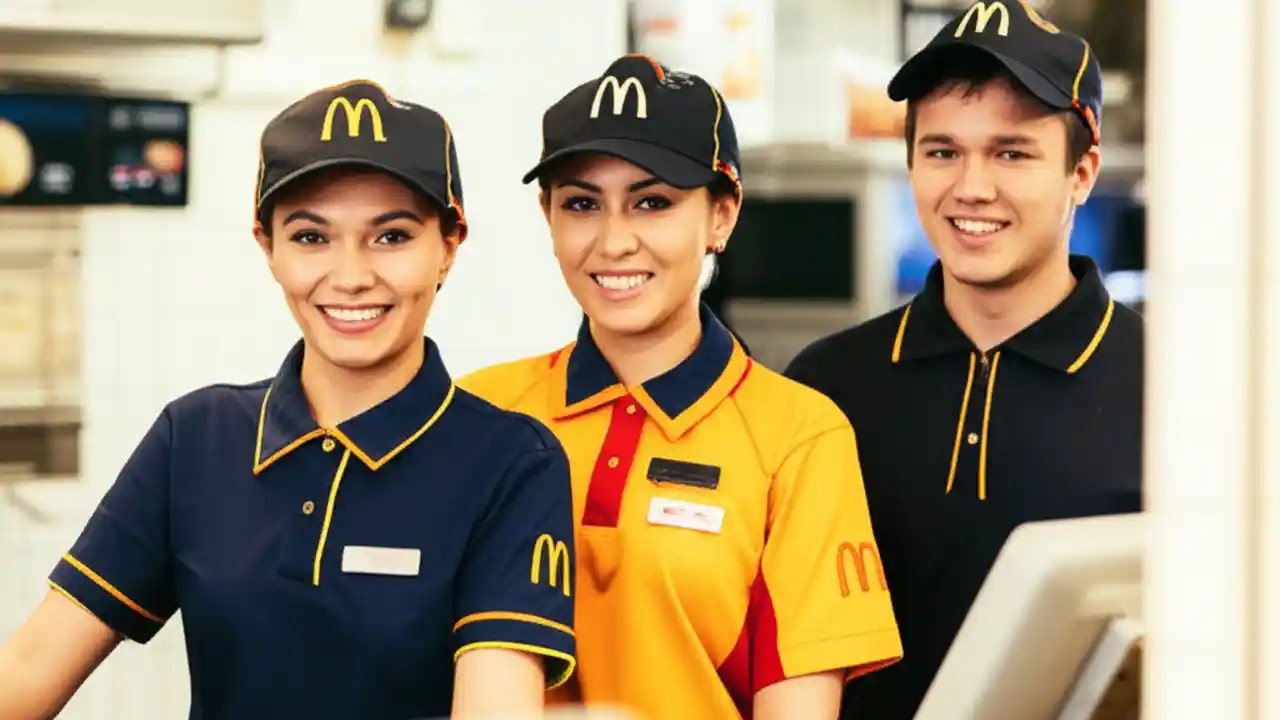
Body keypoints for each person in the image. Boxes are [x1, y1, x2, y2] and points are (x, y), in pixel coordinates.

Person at [0, 79, 576, 720]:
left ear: (449, 244)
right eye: (311, 237)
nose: (351, 277)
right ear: (266, 245)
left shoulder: (510, 464)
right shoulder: (196, 438)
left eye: (391, 236)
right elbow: (28, 669)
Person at [459, 54, 903, 720]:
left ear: (721, 217)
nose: (614, 241)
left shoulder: (799, 437)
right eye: (583, 203)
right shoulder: (480, 414)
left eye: (653, 203)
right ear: (548, 216)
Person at [783, 3, 1144, 718]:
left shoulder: (1176, 391)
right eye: (943, 151)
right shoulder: (823, 389)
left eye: (1012, 153)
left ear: (1082, 172)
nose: (972, 188)